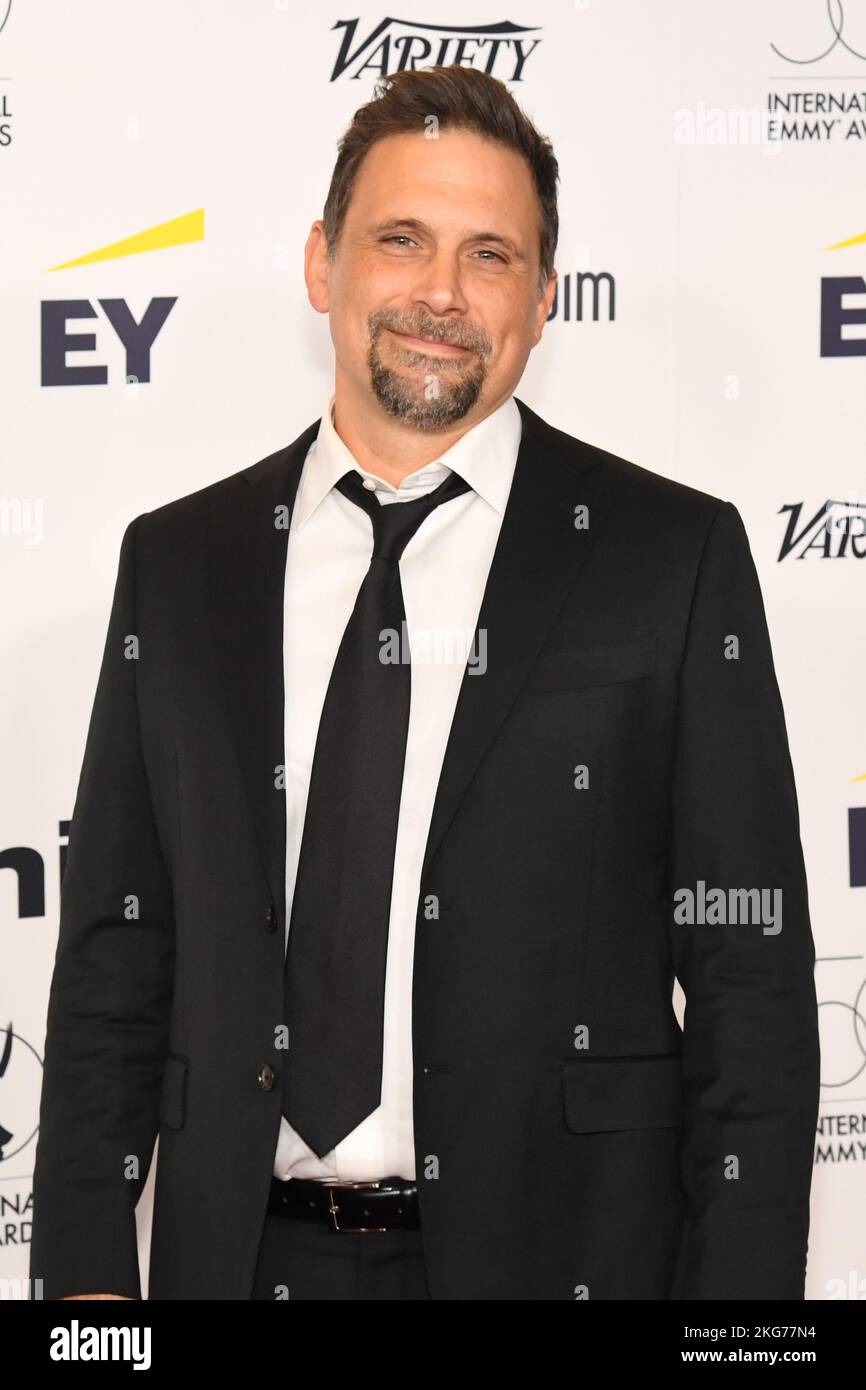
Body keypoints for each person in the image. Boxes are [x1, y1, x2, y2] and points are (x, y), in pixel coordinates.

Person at [30, 64, 819, 1301]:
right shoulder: (178, 565)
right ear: (319, 263)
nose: (439, 293)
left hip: (566, 1262)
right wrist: (82, 1295)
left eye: (489, 255)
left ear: (543, 299)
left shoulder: (669, 559)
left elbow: (749, 994)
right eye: (400, 240)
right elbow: (113, 965)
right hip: (232, 1261)